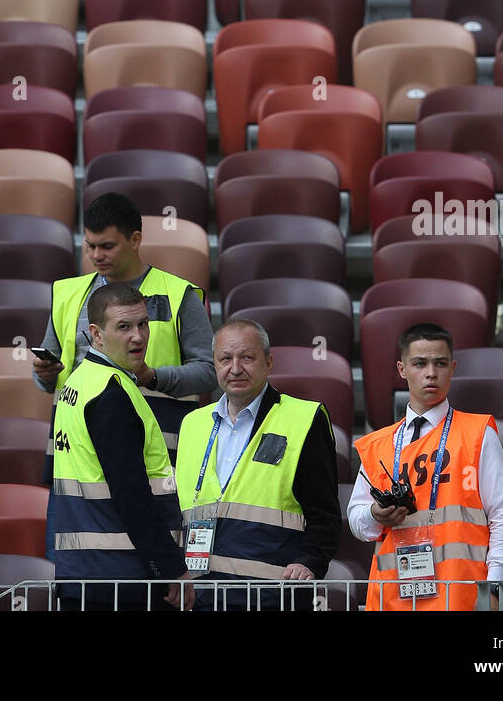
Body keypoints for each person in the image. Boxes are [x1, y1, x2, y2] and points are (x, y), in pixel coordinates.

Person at [349, 322, 503, 612]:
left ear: (452, 367)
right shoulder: (378, 444)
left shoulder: (477, 433)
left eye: (440, 363)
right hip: (392, 597)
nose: (431, 373)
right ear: (402, 369)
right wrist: (375, 514)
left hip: (462, 596)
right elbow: (358, 522)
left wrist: (493, 587)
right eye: (420, 363)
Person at [33, 191, 216, 458]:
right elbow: (49, 375)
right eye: (90, 246)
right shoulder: (67, 295)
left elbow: (209, 373)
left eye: (107, 246)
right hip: (77, 444)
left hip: (155, 442)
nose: (96, 255)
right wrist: (44, 374)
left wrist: (153, 377)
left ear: (135, 240)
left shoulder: (179, 295)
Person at [176, 318, 341, 611]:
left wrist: (310, 562)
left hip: (273, 594)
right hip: (203, 596)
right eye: (225, 358)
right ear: (214, 364)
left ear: (269, 362)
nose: (235, 368)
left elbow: (324, 511)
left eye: (247, 357)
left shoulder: (303, 419)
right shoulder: (192, 424)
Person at [50, 281, 193, 612]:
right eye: (124, 327)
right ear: (96, 334)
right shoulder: (111, 394)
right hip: (123, 578)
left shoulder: (78, 382)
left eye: (143, 324)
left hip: (83, 573)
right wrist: (169, 568)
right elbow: (132, 496)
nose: (138, 336)